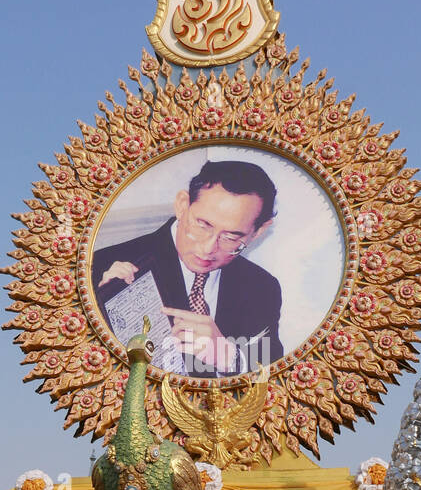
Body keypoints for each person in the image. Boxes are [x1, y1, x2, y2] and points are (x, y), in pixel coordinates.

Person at [91, 160, 283, 376]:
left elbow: (274, 380)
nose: (209, 248)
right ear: (183, 205)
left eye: (230, 237)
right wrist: (101, 308)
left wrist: (232, 359)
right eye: (203, 225)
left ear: (257, 233)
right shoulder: (101, 265)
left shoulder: (263, 287)